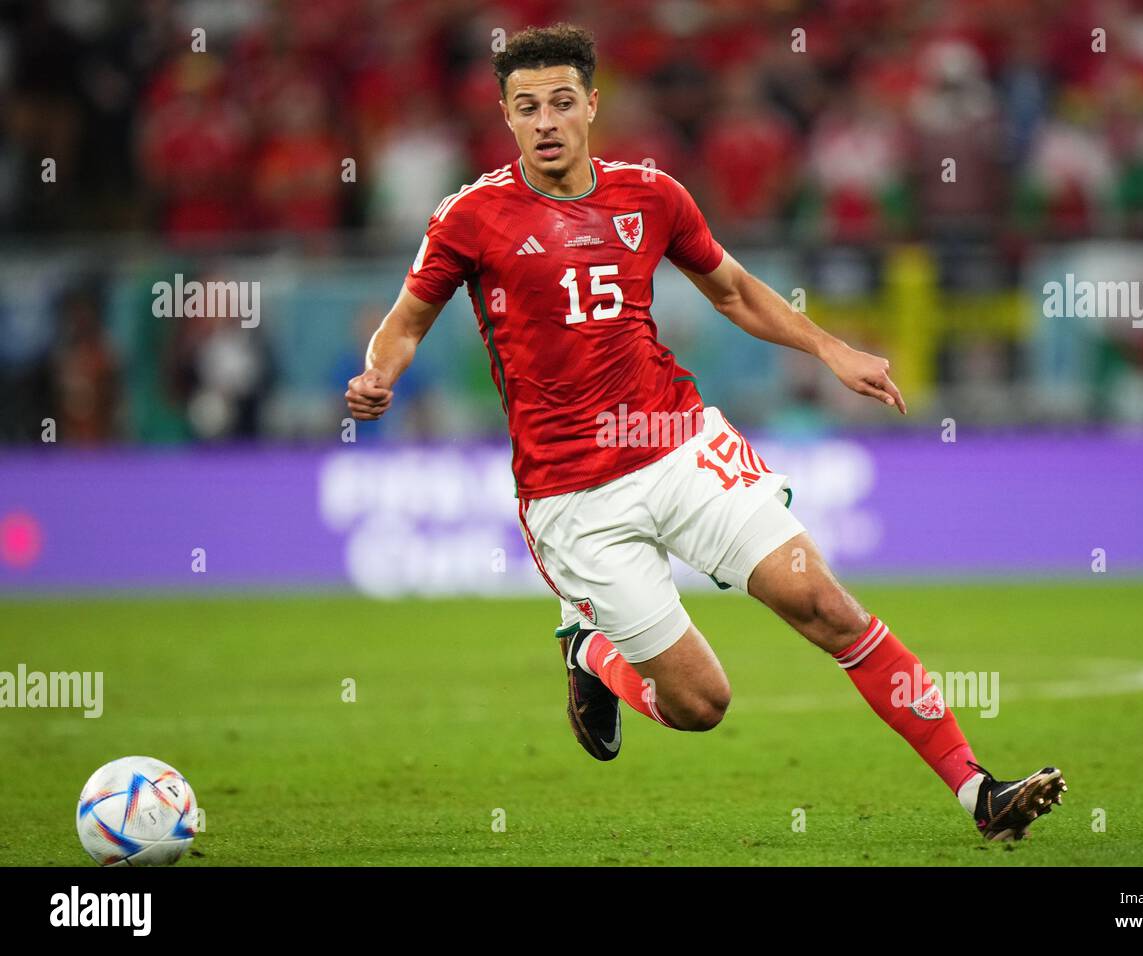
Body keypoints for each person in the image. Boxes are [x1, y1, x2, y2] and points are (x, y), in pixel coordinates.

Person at [345, 23, 1065, 841]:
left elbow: (732, 290)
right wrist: (380, 375)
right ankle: (589, 654)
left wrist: (833, 349)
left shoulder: (652, 195)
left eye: (559, 103)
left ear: (591, 105)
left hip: (679, 444)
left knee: (823, 604)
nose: (544, 121)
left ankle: (979, 791)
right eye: (525, 107)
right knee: (700, 705)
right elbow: (405, 324)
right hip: (572, 494)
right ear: (506, 117)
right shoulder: (472, 216)